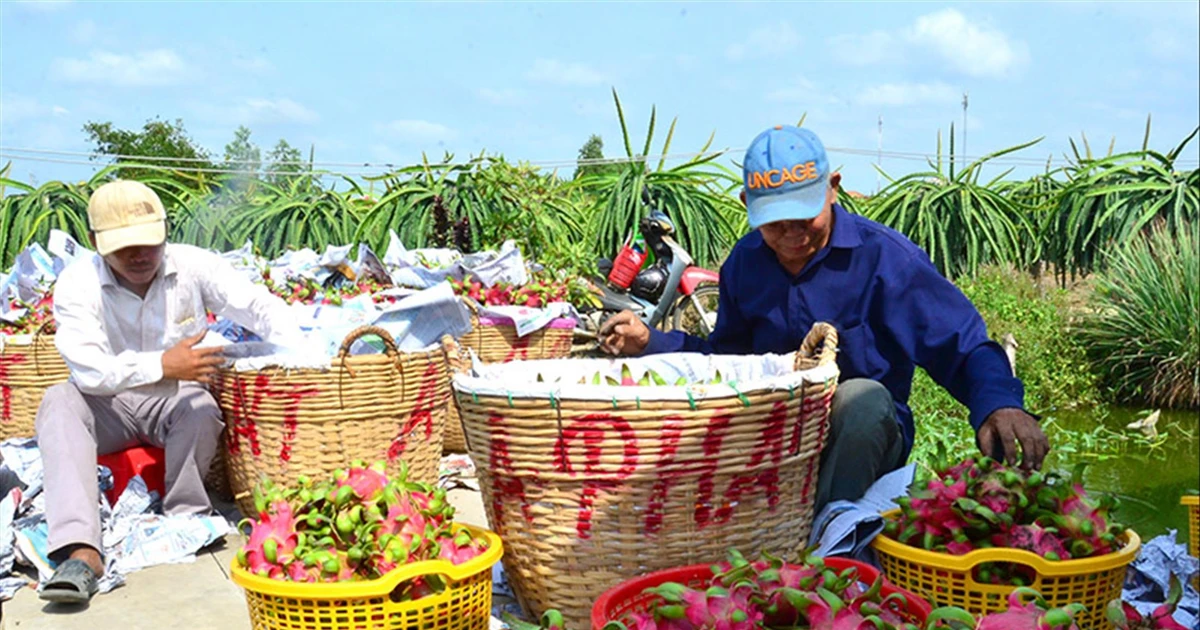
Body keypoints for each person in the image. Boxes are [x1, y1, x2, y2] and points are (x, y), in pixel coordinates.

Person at [599, 124, 1049, 516]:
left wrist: (999, 404)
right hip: (772, 442)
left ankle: (821, 537)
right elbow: (727, 359)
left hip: (861, 443)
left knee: (862, 398)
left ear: (833, 188)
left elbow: (963, 346)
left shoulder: (886, 260)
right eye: (776, 224)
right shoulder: (744, 264)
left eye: (805, 217)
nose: (793, 236)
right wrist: (650, 343)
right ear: (747, 205)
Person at [35, 179, 305, 604]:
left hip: (173, 401)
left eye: (149, 242)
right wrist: (163, 363)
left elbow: (257, 305)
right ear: (95, 243)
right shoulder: (77, 282)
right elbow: (88, 370)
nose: (140, 255)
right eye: (124, 248)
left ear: (165, 231)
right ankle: (80, 550)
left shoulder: (193, 265)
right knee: (59, 401)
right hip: (108, 403)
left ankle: (185, 517)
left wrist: (300, 352)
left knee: (199, 406)